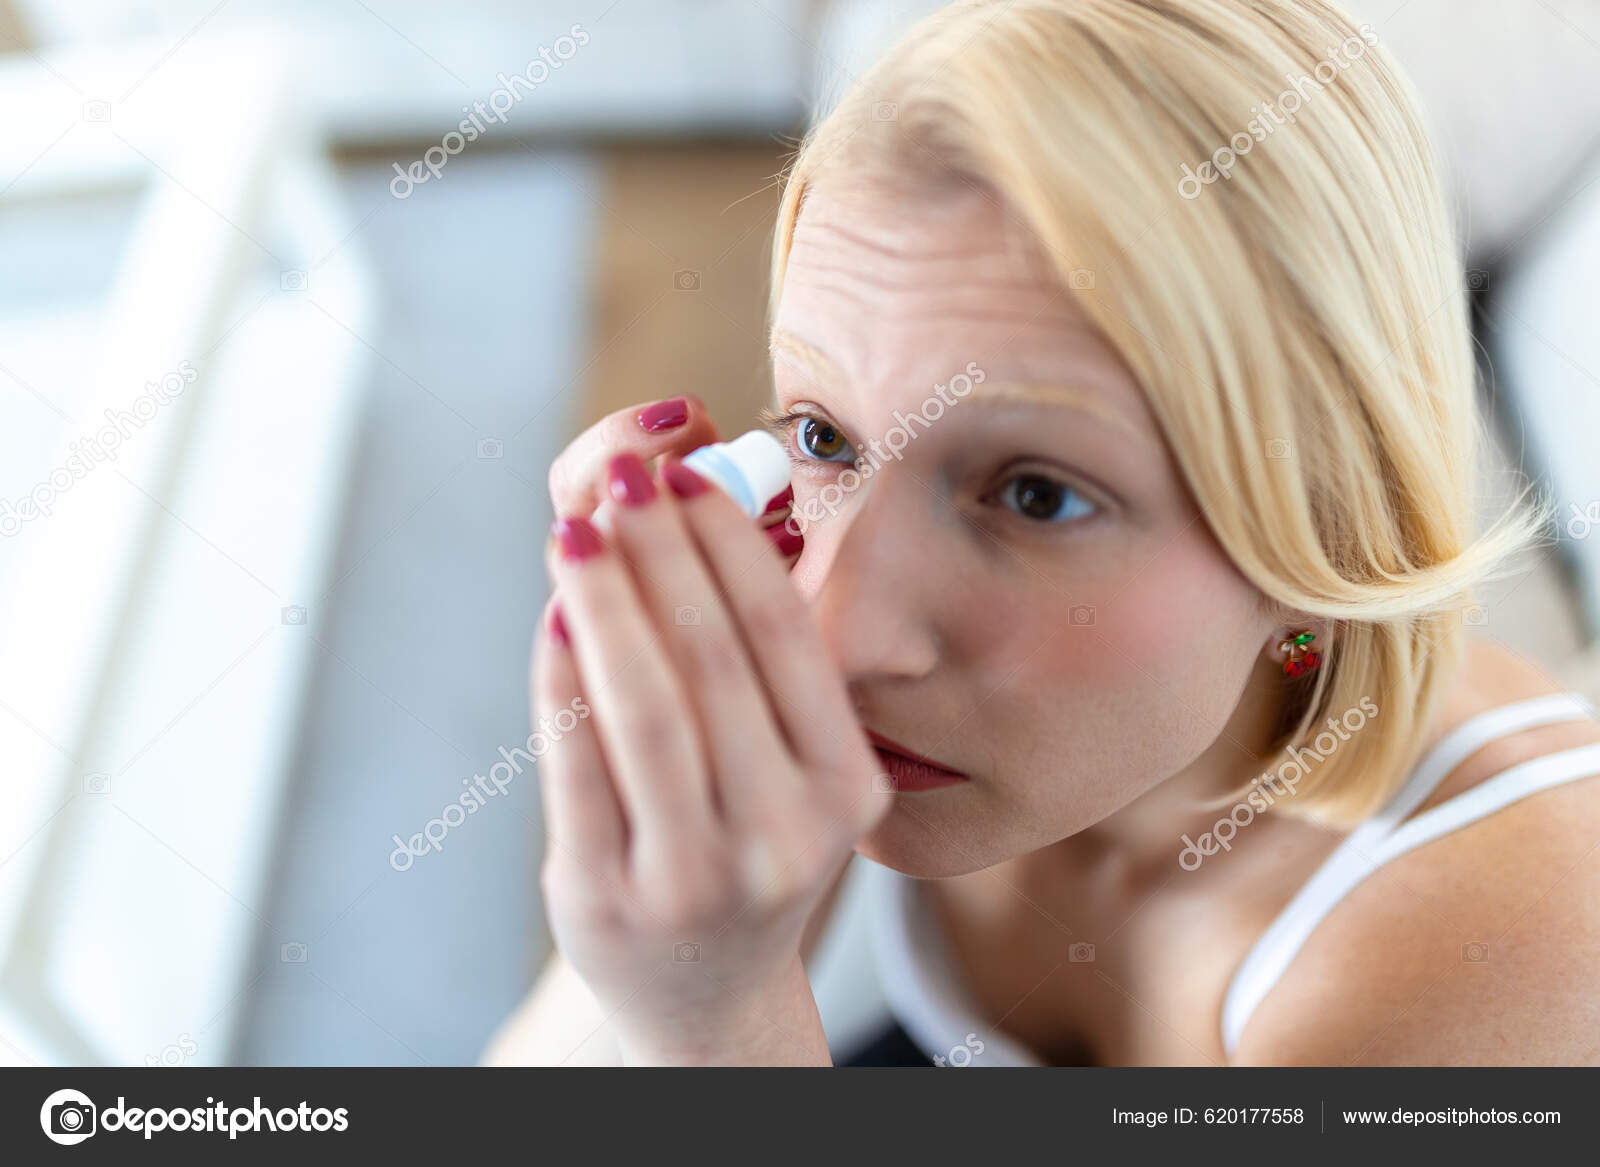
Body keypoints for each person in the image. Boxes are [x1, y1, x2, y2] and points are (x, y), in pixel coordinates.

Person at [486, 0, 1600, 1066]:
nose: (836, 629)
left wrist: (718, 1034)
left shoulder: (1510, 959)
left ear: (1329, 531)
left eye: (1034, 497)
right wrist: (660, 874)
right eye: (826, 437)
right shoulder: (929, 714)